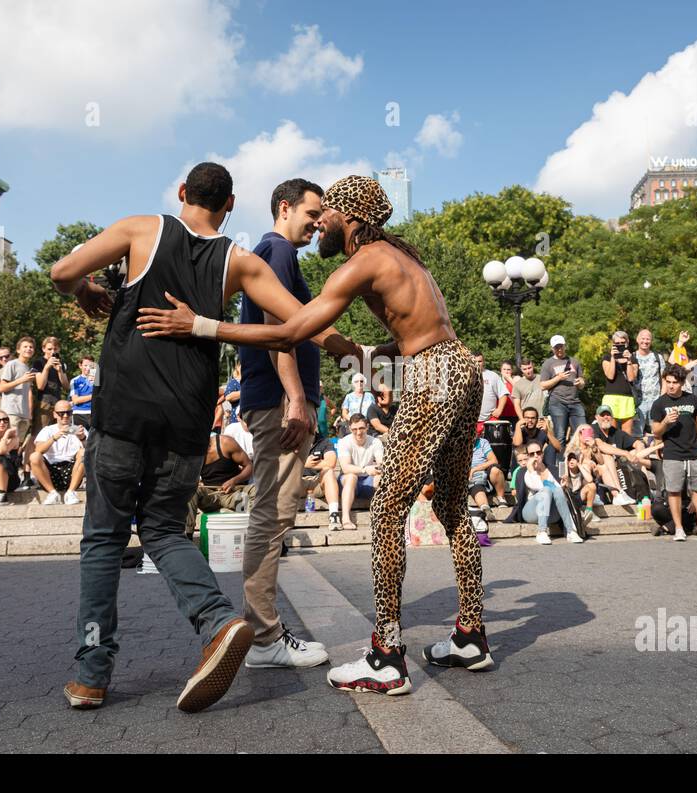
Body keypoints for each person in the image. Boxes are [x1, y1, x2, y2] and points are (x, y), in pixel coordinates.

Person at [138, 173, 490, 694]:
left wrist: (200, 326)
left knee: (390, 509)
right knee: (454, 506)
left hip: (433, 376)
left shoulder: (362, 261)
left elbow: (288, 332)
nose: (320, 222)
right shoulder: (403, 259)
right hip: (459, 369)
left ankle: (387, 657)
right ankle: (470, 635)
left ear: (349, 217)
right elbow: (414, 340)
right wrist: (364, 356)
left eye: (327, 214)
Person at [49, 162, 357, 711]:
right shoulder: (239, 261)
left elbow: (62, 270)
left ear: (183, 193)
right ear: (231, 205)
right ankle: (218, 622)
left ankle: (92, 674)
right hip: (187, 426)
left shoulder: (140, 230)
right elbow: (305, 324)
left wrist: (87, 292)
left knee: (103, 539)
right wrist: (366, 354)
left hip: (121, 416)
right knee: (166, 532)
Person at [232, 177, 330, 668]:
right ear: (285, 207)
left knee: (274, 513)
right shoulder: (277, 252)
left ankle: (262, 632)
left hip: (275, 399)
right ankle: (264, 638)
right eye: (312, 215)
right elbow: (278, 331)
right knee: (272, 514)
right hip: (277, 402)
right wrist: (296, 398)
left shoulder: (275, 254)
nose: (318, 224)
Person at [651, 363, 697, 542]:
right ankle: (679, 528)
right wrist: (666, 421)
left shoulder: (692, 399)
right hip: (672, 453)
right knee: (673, 491)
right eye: (668, 382)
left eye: (675, 382)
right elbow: (656, 432)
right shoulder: (659, 403)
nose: (671, 385)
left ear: (682, 382)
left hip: (694, 451)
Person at [504, 443, 584, 545]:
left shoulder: (552, 469)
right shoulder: (524, 472)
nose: (536, 455)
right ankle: (542, 532)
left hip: (552, 513)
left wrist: (564, 486)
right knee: (546, 490)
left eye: (538, 452)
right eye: (532, 454)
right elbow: (539, 487)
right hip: (531, 512)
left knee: (559, 490)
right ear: (528, 456)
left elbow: (559, 494)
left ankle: (571, 531)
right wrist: (532, 470)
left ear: (542, 453)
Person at [0, 337, 38, 485]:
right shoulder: (12, 364)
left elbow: (28, 392)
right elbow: (2, 388)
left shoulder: (28, 368)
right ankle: (3, 480)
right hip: (11, 411)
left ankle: (13, 479)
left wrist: (30, 413)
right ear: (19, 349)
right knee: (8, 445)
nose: (28, 349)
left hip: (24, 413)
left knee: (17, 448)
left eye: (31, 347)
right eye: (25, 346)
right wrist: (21, 380)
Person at [30, 400, 87, 505]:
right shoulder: (48, 430)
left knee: (84, 453)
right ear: (54, 414)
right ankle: (52, 493)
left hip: (72, 472)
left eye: (68, 413)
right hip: (50, 472)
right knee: (34, 456)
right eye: (61, 413)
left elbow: (91, 452)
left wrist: (82, 438)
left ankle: (71, 492)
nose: (65, 416)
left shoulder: (78, 430)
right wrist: (55, 437)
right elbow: (38, 450)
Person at [336, 414, 384, 529]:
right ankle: (346, 518)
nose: (358, 432)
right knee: (351, 476)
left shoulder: (375, 442)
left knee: (381, 476)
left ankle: (381, 517)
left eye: (361, 428)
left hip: (368, 480)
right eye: (354, 429)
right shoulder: (344, 442)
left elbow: (381, 464)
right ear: (350, 429)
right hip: (348, 482)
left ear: (367, 427)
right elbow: (346, 467)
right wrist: (365, 469)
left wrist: (377, 470)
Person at [540, 335, 586, 446]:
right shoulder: (548, 364)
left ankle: (580, 460)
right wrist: (558, 378)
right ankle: (558, 461)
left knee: (584, 433)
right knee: (560, 435)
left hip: (575, 402)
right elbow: (542, 385)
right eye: (556, 347)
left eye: (561, 346)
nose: (559, 349)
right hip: (557, 403)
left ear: (565, 346)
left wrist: (580, 382)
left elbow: (582, 383)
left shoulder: (574, 362)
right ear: (552, 349)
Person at [31, 336, 71, 433]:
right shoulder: (38, 362)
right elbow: (40, 386)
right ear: (43, 349)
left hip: (57, 404)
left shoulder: (60, 363)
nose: (53, 352)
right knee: (40, 433)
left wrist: (60, 371)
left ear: (59, 349)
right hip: (44, 404)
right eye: (49, 349)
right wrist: (47, 367)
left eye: (55, 349)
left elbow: (66, 387)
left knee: (58, 433)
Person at [632, 328, 666, 436]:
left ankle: (658, 453)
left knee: (657, 433)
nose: (645, 341)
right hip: (637, 403)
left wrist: (662, 397)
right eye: (643, 338)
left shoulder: (658, 357)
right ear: (637, 340)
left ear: (651, 341)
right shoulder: (631, 357)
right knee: (637, 434)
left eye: (648, 339)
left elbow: (664, 378)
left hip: (655, 401)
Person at [601, 330, 637, 433]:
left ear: (627, 342)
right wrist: (613, 357)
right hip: (611, 398)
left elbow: (631, 378)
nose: (620, 345)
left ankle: (626, 450)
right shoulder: (607, 357)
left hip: (627, 399)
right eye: (617, 343)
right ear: (613, 344)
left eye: (622, 343)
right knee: (611, 433)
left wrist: (629, 360)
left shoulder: (633, 359)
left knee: (627, 434)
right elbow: (610, 376)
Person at [70, 356, 95, 430]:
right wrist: (93, 396)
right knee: (79, 438)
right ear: (80, 366)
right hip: (79, 413)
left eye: (90, 365)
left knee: (94, 439)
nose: (88, 368)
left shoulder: (98, 379)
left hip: (94, 413)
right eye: (85, 365)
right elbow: (76, 400)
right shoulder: (75, 380)